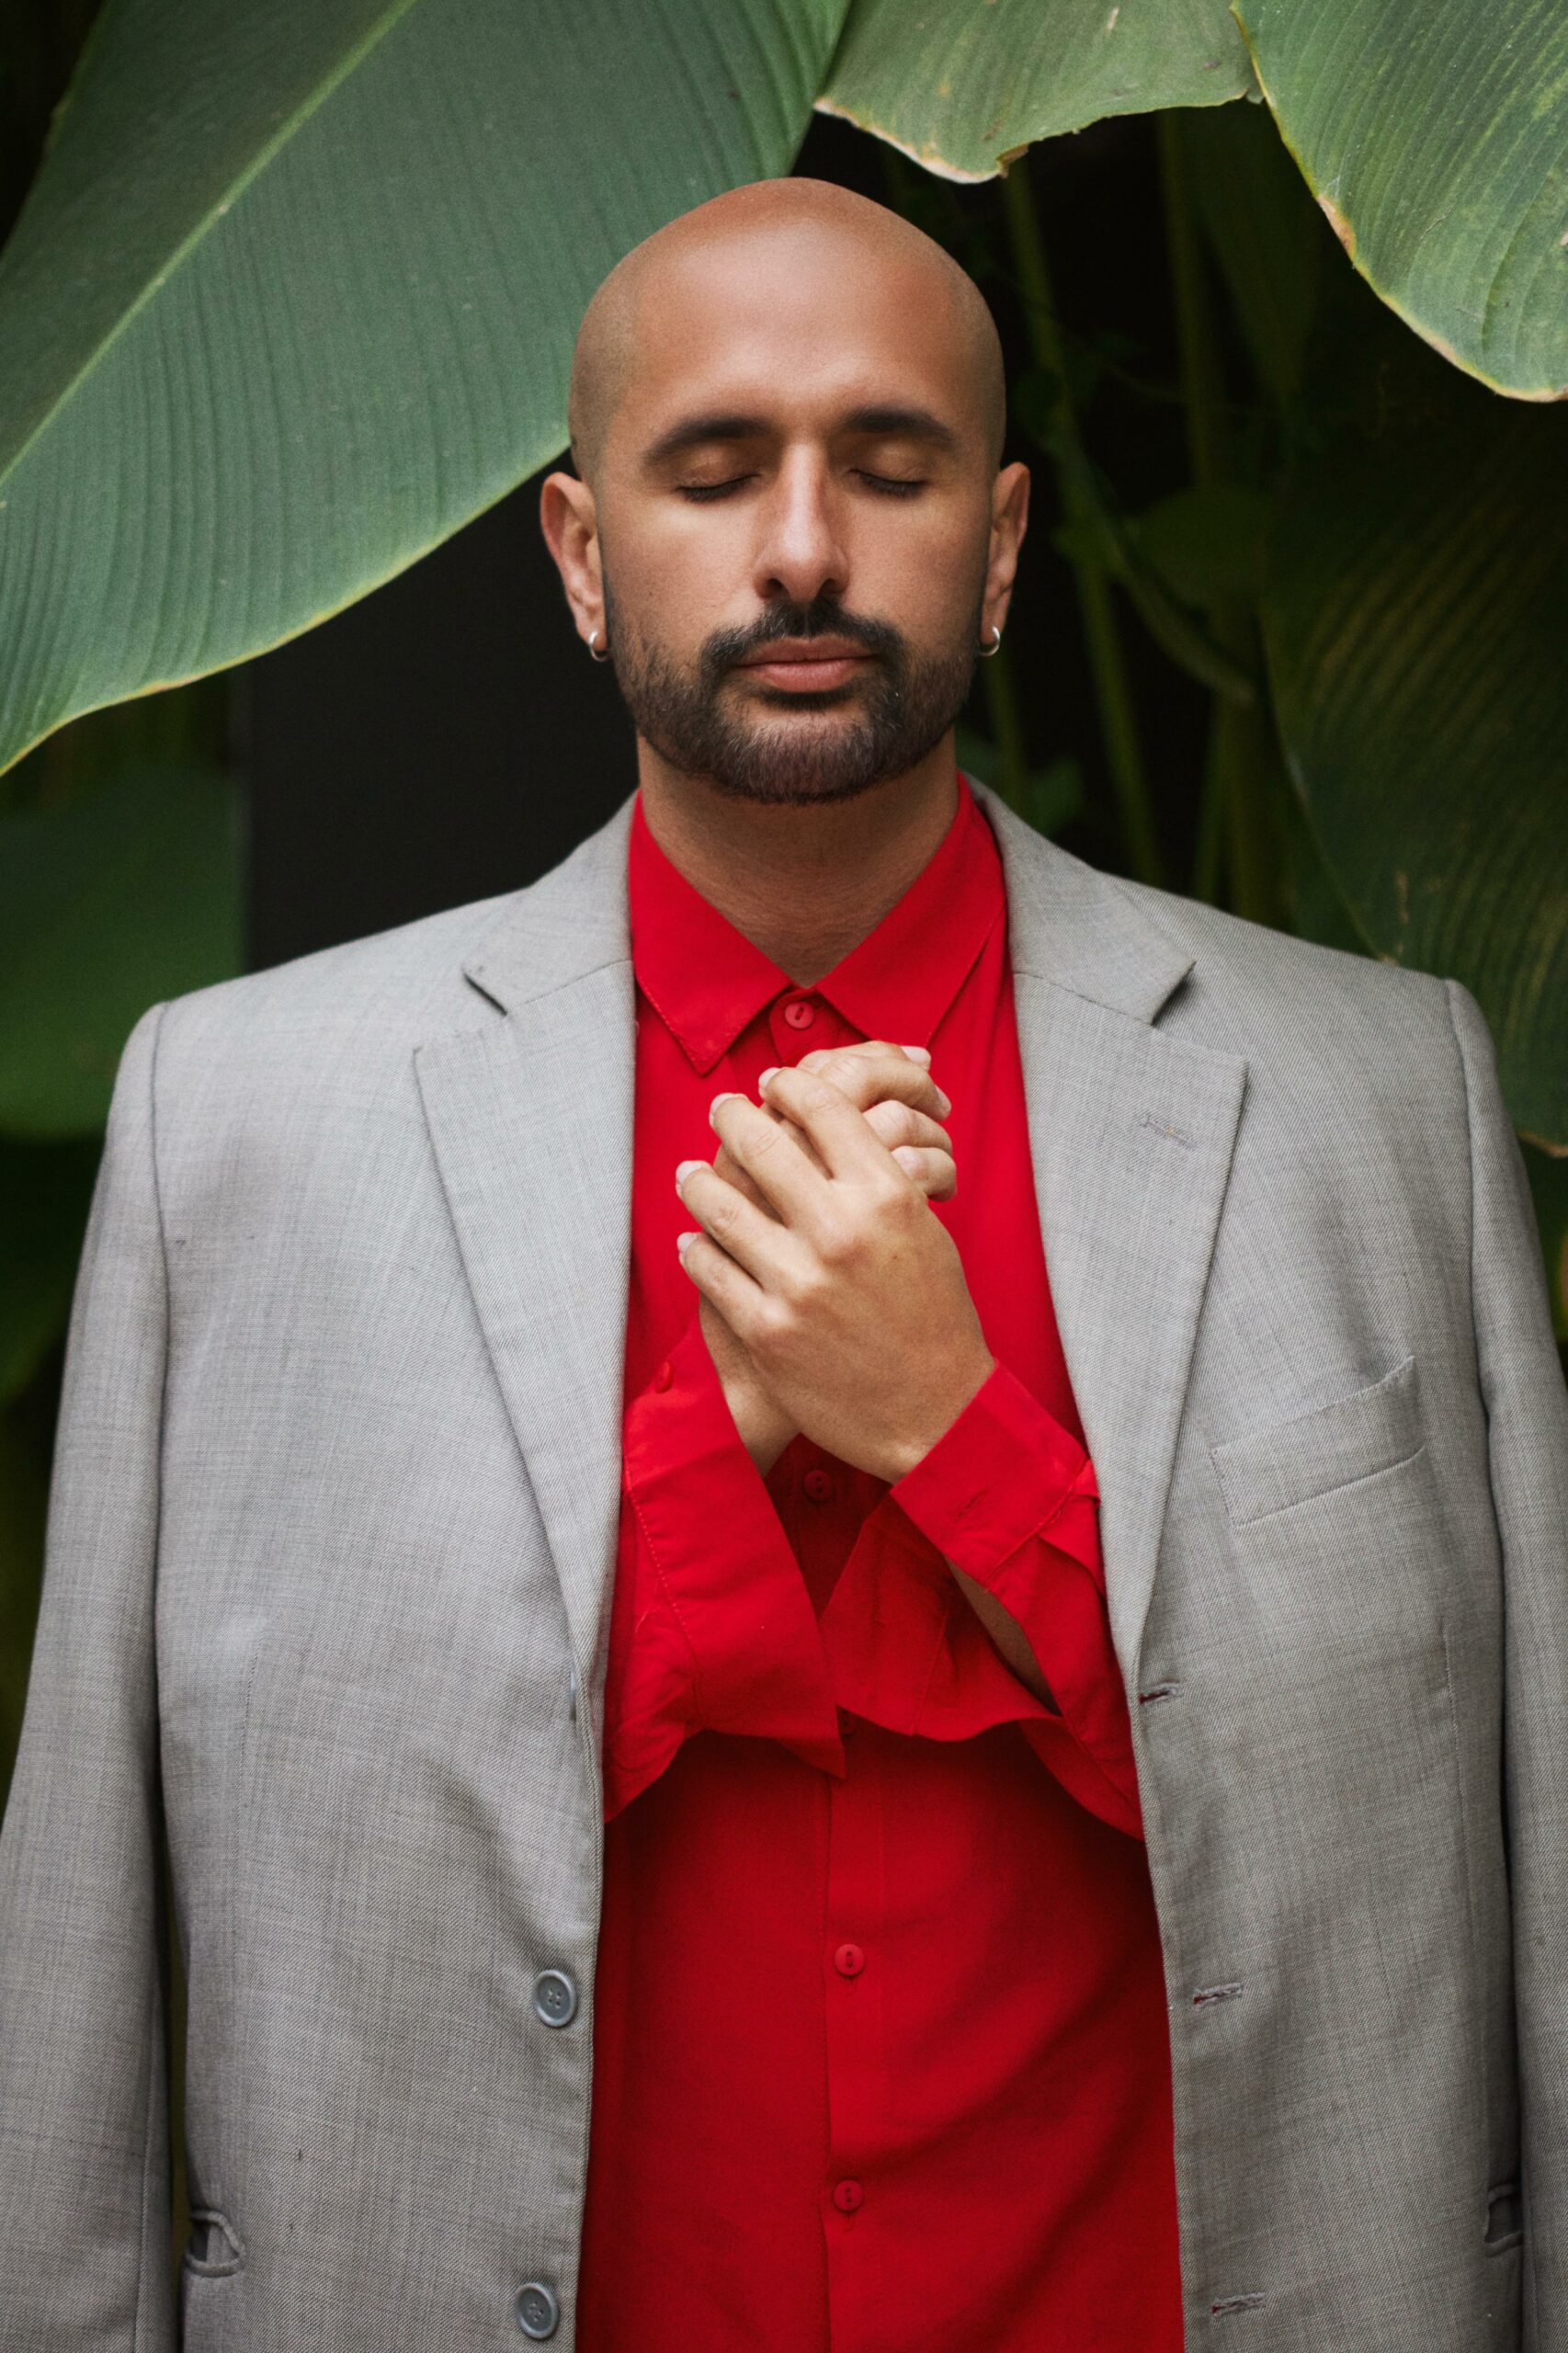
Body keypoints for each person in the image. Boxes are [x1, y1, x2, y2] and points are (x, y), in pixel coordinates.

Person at [1, 175, 1563, 2353]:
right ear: (577, 552)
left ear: (1003, 544)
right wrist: (702, 1446)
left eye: (889, 465)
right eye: (714, 468)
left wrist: (947, 1424)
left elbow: (1479, 1838)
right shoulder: (240, 1123)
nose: (805, 546)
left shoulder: (1369, 1096)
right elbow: (109, 1913)